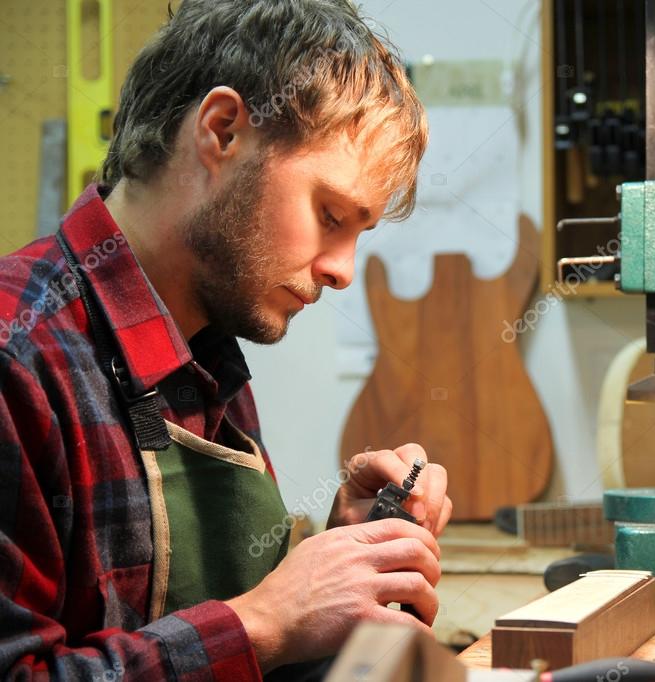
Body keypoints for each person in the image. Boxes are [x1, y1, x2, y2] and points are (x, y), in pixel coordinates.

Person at [0, 1, 452, 679]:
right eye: (330, 215)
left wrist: (336, 572)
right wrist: (268, 621)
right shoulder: (18, 357)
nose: (341, 271)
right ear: (221, 130)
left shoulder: (207, 348)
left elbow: (215, 638)